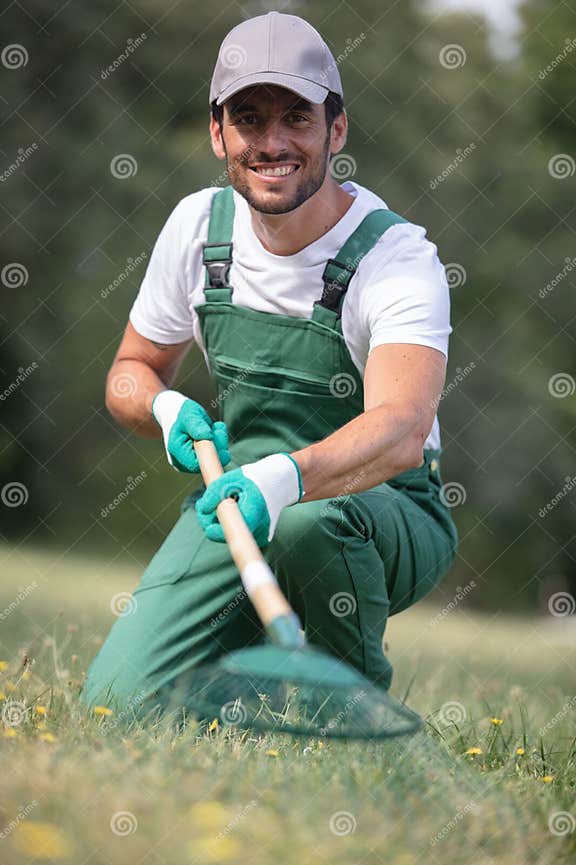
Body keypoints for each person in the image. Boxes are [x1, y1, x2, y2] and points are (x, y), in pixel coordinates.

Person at [80, 11, 458, 719]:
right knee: (114, 706)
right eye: (249, 119)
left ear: (336, 130)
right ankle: (251, 689)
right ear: (218, 131)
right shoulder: (198, 229)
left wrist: (286, 481)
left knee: (311, 527)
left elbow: (404, 428)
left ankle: (350, 711)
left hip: (385, 512)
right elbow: (130, 369)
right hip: (238, 503)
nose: (273, 142)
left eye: (297, 117)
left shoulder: (394, 258)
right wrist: (163, 409)